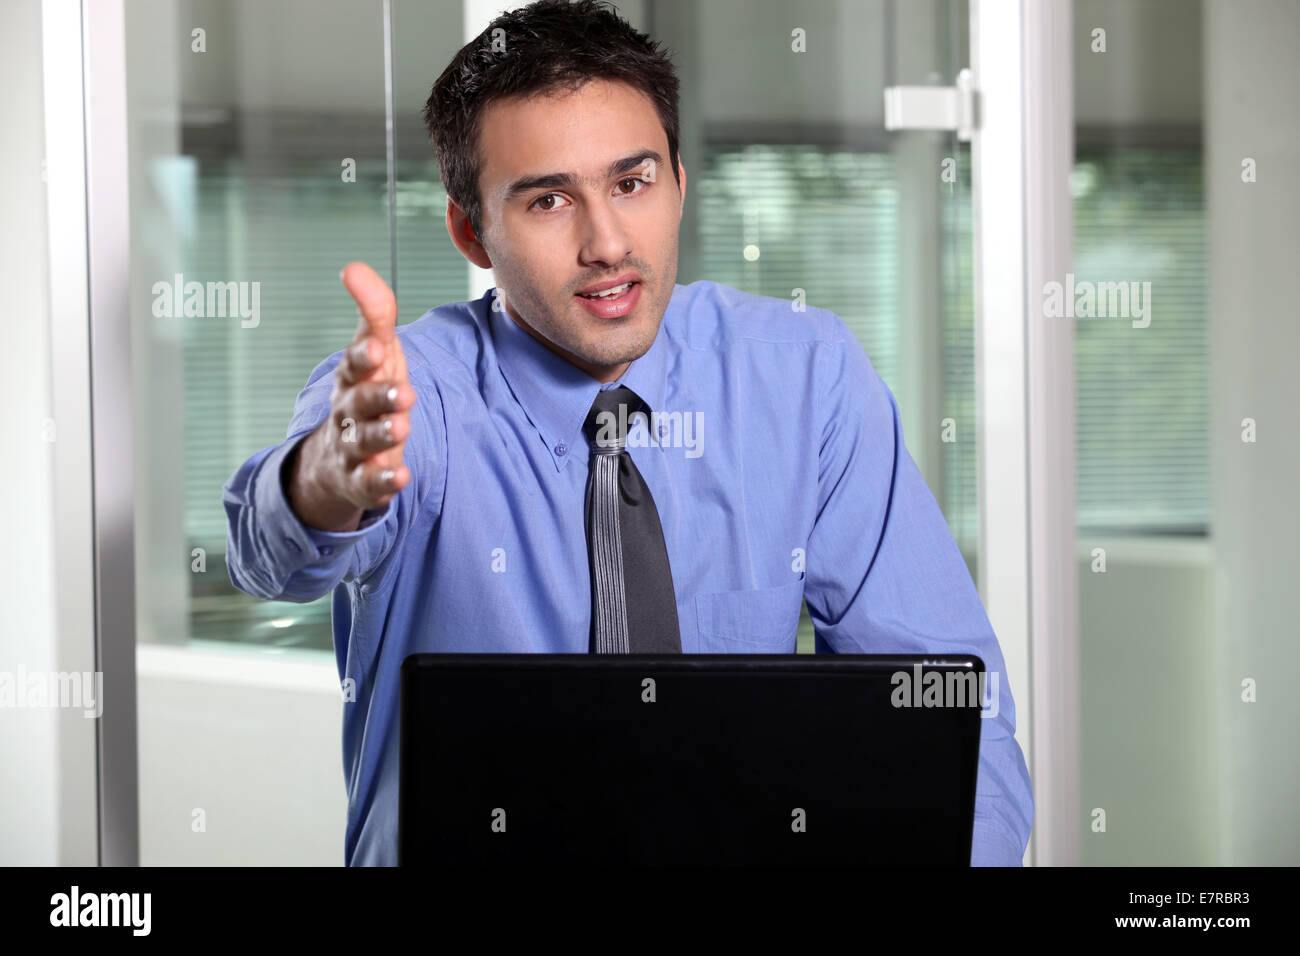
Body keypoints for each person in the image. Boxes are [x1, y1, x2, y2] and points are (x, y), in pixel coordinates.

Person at [222, 0, 1033, 866]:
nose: (606, 243)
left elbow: (949, 708)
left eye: (632, 183)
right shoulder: (417, 393)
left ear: (679, 182)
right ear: (472, 231)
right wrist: (327, 485)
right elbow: (274, 551)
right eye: (547, 201)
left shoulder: (803, 376)